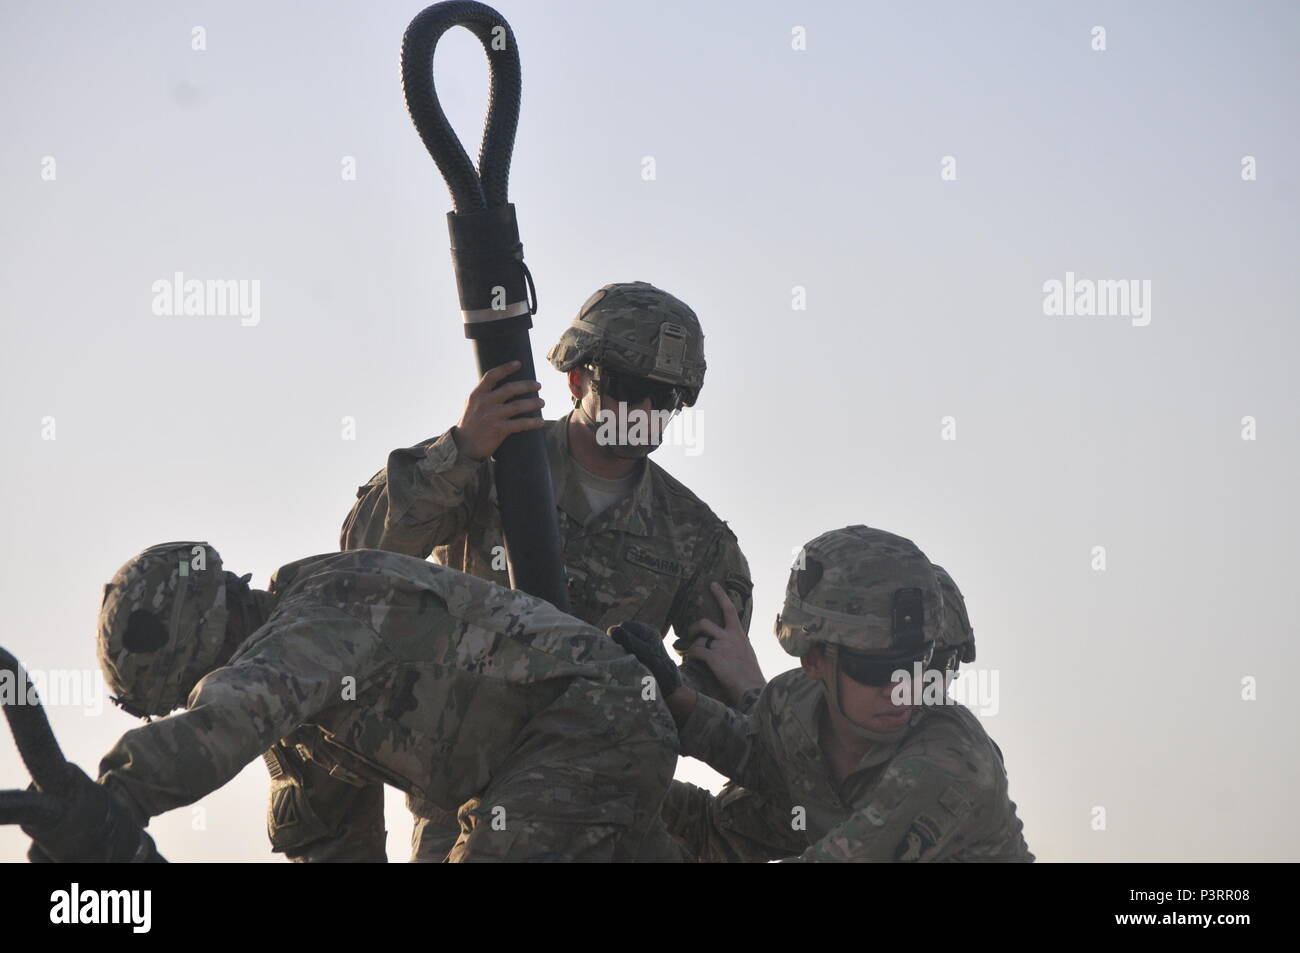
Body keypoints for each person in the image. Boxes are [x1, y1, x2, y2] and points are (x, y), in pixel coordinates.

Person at [314, 280, 754, 861]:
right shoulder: (492, 460)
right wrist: (462, 449)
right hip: (465, 790)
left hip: (599, 805)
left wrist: (643, 698)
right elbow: (363, 548)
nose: (647, 412)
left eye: (667, 397)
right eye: (628, 388)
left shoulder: (697, 538)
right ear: (577, 381)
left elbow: (712, 684)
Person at [21, 541, 680, 863]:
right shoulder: (298, 721)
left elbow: (232, 714)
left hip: (597, 719)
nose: (194, 701)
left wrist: (118, 795)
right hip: (534, 781)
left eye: (187, 694)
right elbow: (331, 847)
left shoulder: (321, 608)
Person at [613, 525, 1034, 862]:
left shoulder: (948, 764)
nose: (903, 689)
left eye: (921, 665)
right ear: (813, 660)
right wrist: (673, 697)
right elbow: (731, 805)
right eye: (874, 668)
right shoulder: (794, 708)